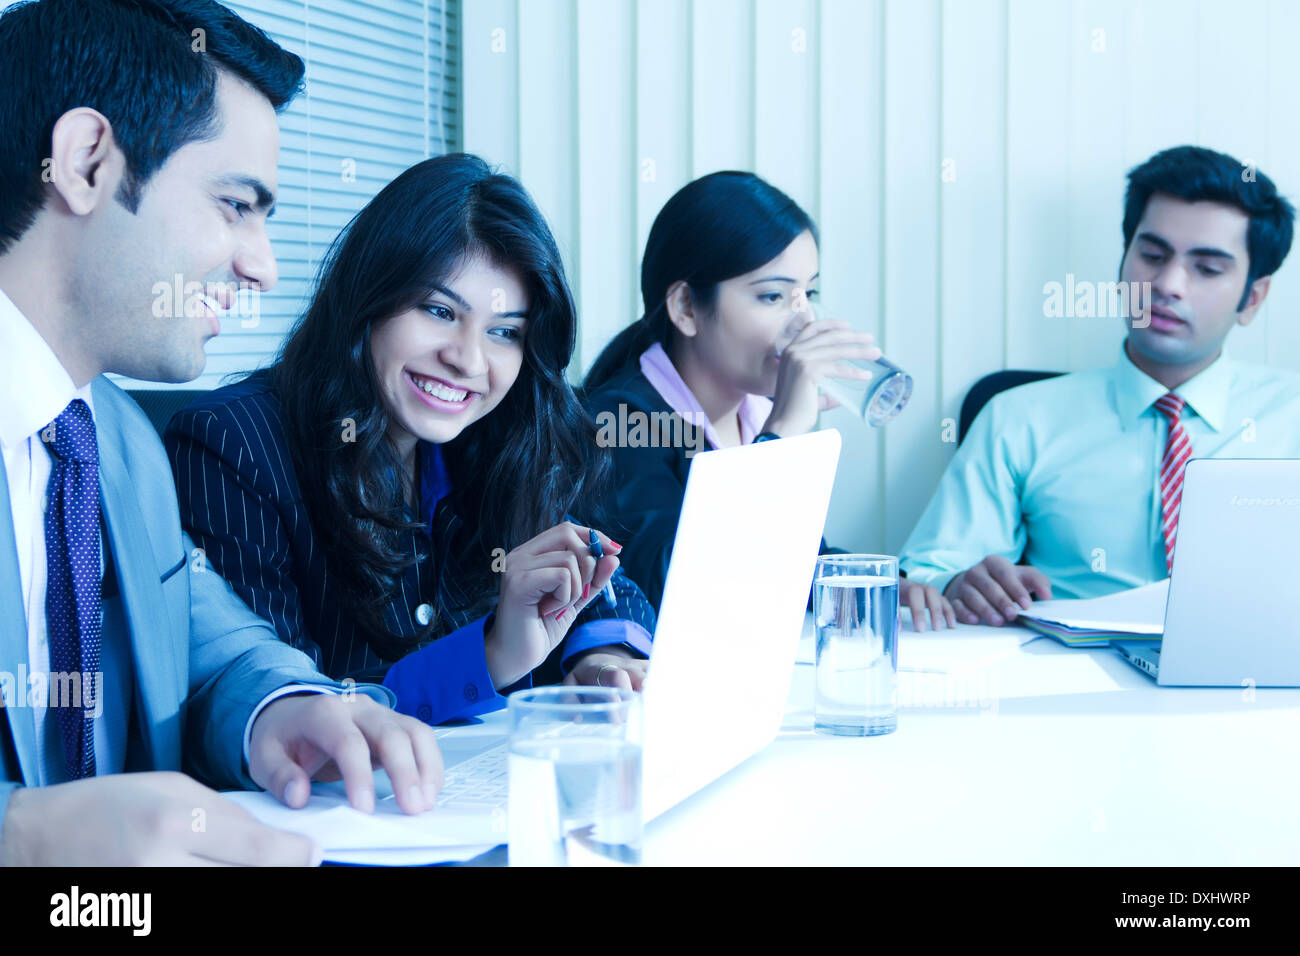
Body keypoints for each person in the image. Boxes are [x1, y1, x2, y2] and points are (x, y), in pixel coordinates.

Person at [0, 0, 445, 866]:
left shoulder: (112, 441)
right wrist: (22, 836)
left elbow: (205, 648)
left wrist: (282, 707)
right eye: (236, 205)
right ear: (86, 163)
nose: (264, 264)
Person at [164, 154, 656, 726]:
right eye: (439, 310)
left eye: (504, 332)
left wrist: (600, 655)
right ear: (368, 298)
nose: (468, 359)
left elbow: (603, 577)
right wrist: (490, 654)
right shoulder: (234, 446)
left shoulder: (502, 438)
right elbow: (277, 703)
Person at [900, 145, 1300, 626]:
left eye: (1207, 268)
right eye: (1152, 255)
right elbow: (928, 572)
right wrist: (958, 585)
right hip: (1069, 680)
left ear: (1252, 297)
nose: (1168, 284)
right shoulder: (1018, 416)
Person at [582, 171, 955, 631]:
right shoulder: (621, 420)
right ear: (686, 308)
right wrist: (781, 438)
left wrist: (890, 584)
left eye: (808, 294)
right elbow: (671, 592)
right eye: (774, 296)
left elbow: (793, 560)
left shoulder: (751, 412)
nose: (805, 320)